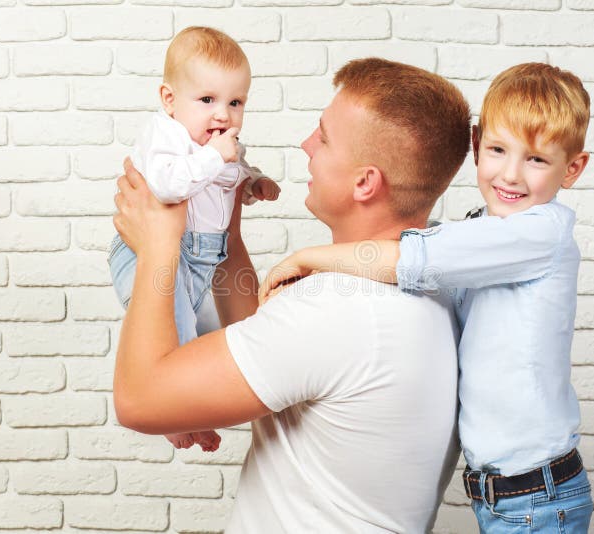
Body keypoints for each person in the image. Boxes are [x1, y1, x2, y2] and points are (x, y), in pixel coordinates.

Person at [112, 58, 471, 533]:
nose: (306, 145)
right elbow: (262, 341)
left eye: (322, 137)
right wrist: (226, 233)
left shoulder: (342, 311)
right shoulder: (427, 280)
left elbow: (139, 400)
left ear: (365, 182)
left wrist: (159, 243)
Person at [260, 62, 593, 533]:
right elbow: (432, 244)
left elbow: (418, 256)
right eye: (498, 150)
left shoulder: (541, 232)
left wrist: (310, 258)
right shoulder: (484, 232)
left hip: (536, 496)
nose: (511, 175)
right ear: (477, 146)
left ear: (572, 168)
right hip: (507, 491)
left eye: (537, 160)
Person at [107, 26, 279, 451]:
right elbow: (166, 186)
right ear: (169, 100)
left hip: (203, 260)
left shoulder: (221, 146)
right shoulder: (165, 135)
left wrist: (253, 182)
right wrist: (212, 157)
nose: (223, 114)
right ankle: (166, 413)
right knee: (175, 335)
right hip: (152, 253)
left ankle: (194, 410)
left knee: (211, 344)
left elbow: (235, 171)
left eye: (235, 102)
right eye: (207, 100)